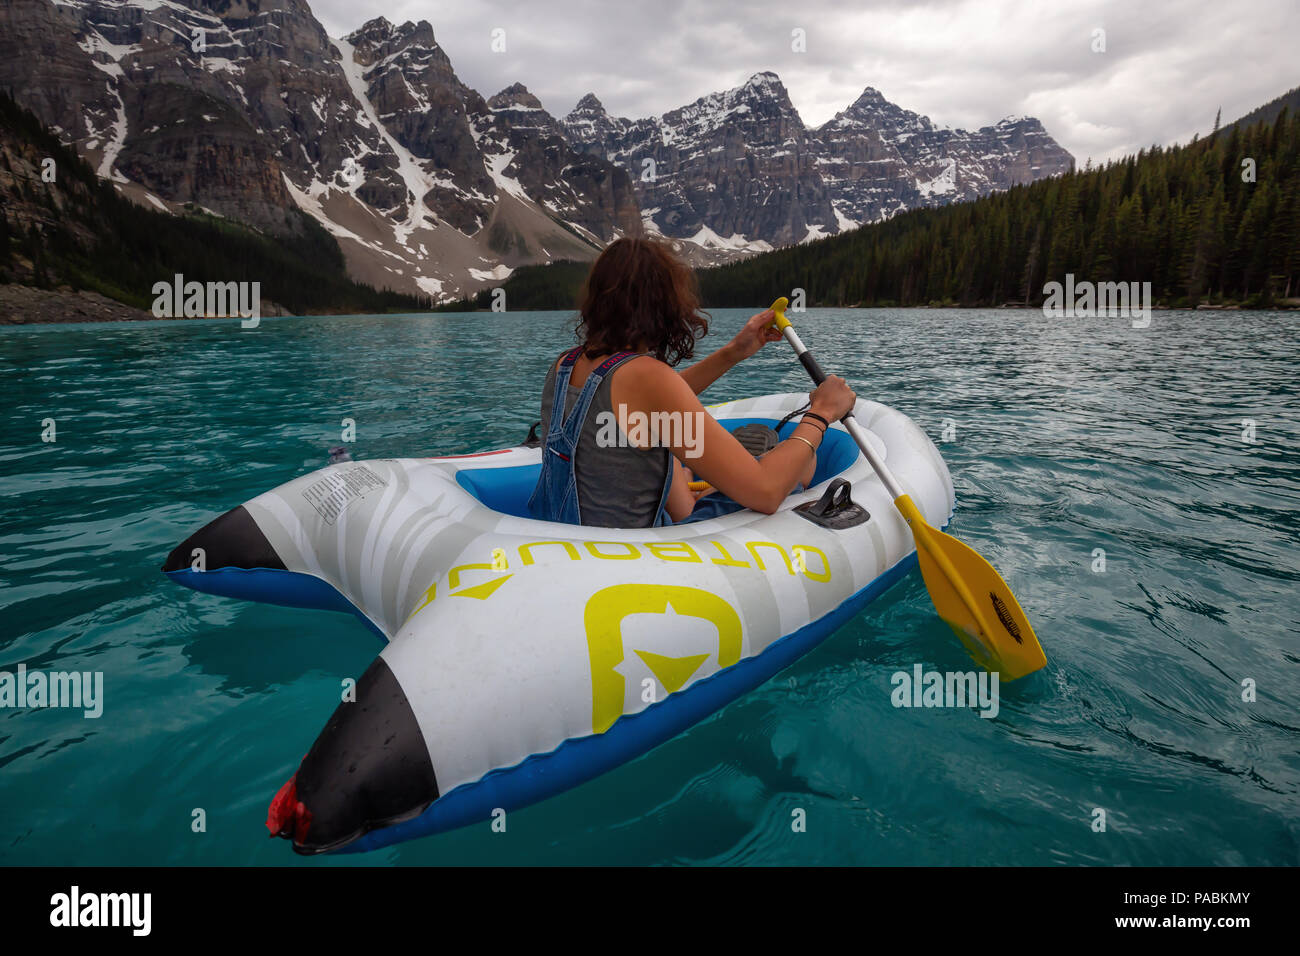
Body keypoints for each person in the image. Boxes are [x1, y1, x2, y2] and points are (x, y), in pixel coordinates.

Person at [527, 237, 857, 528]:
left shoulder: (565, 364)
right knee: (802, 463)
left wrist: (733, 352)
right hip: (631, 556)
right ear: (665, 304)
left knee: (665, 451)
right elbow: (767, 492)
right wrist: (822, 412)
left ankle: (690, 490)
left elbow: (642, 407)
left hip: (567, 541)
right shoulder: (648, 378)